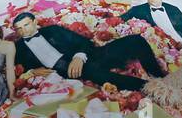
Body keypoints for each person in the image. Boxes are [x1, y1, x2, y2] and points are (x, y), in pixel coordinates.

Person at [12, 11, 165, 92]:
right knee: (96, 73)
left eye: (26, 25)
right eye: (19, 28)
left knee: (135, 40)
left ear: (34, 22)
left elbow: (83, 42)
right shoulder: (18, 48)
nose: (23, 30)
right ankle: (153, 89)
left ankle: (160, 77)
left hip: (86, 58)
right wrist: (32, 71)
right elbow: (15, 71)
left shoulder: (53, 30)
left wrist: (78, 57)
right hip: (64, 74)